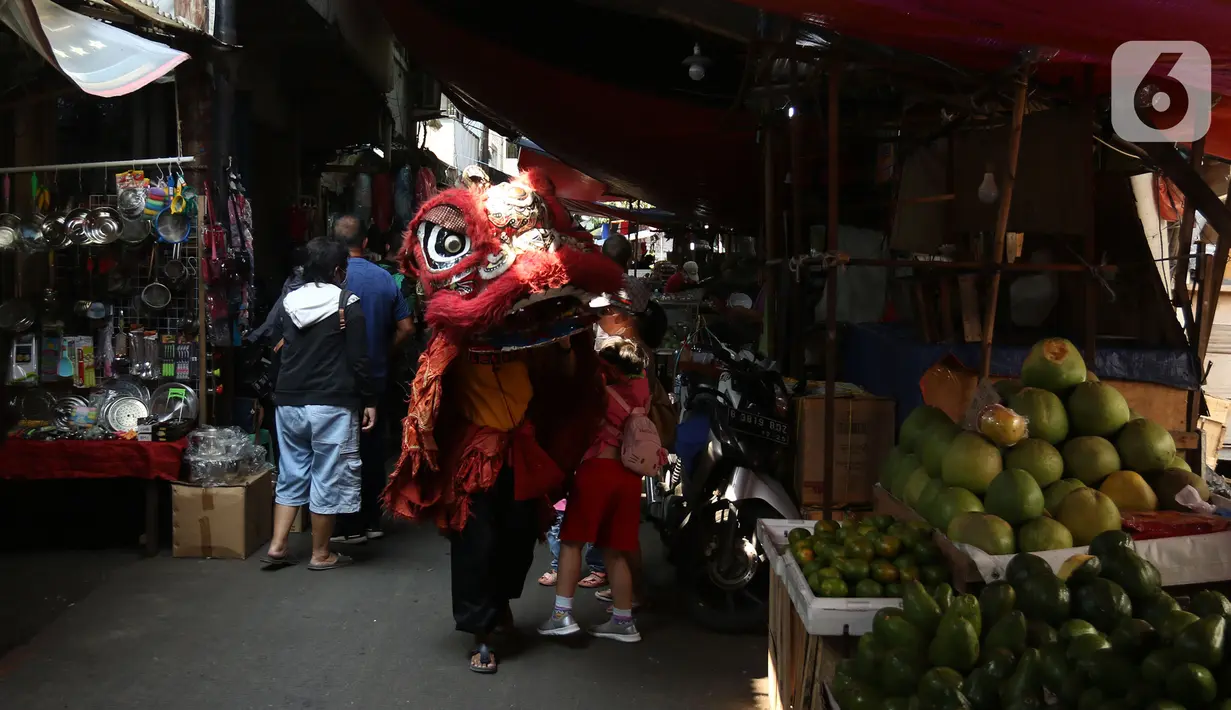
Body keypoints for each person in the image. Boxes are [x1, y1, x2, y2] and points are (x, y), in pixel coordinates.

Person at [262, 237, 376, 571]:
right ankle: (321, 554)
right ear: (339, 270)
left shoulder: (288, 301)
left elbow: (275, 347)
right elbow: (359, 360)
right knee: (327, 475)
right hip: (332, 403)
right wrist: (369, 400)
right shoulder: (346, 302)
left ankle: (278, 545)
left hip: (289, 401)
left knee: (291, 471)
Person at [539, 337, 650, 642]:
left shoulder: (600, 392)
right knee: (615, 550)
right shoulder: (642, 389)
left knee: (572, 542)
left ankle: (561, 616)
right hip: (629, 476)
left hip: (598, 470)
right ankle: (624, 621)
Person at [332, 215, 414, 544]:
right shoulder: (385, 279)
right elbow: (407, 328)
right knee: (371, 449)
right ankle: (373, 519)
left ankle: (343, 524)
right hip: (377, 377)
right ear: (366, 243)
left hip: (337, 380)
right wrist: (384, 350)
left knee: (338, 450)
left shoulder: (330, 279)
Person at [538, 502, 607, 588]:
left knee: (594, 532)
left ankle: (599, 569)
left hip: (589, 498)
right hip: (559, 500)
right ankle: (560, 569)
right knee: (557, 534)